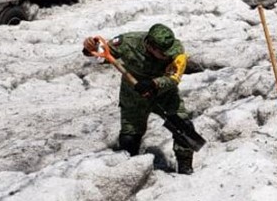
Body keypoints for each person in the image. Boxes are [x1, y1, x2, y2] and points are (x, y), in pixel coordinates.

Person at [81, 24, 198, 174]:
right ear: (150, 46)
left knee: (185, 128)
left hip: (165, 94)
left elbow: (174, 78)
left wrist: (153, 84)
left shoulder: (176, 50)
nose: (168, 56)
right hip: (133, 97)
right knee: (129, 138)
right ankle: (133, 171)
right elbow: (101, 56)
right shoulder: (128, 42)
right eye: (163, 53)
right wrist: (91, 48)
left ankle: (185, 168)